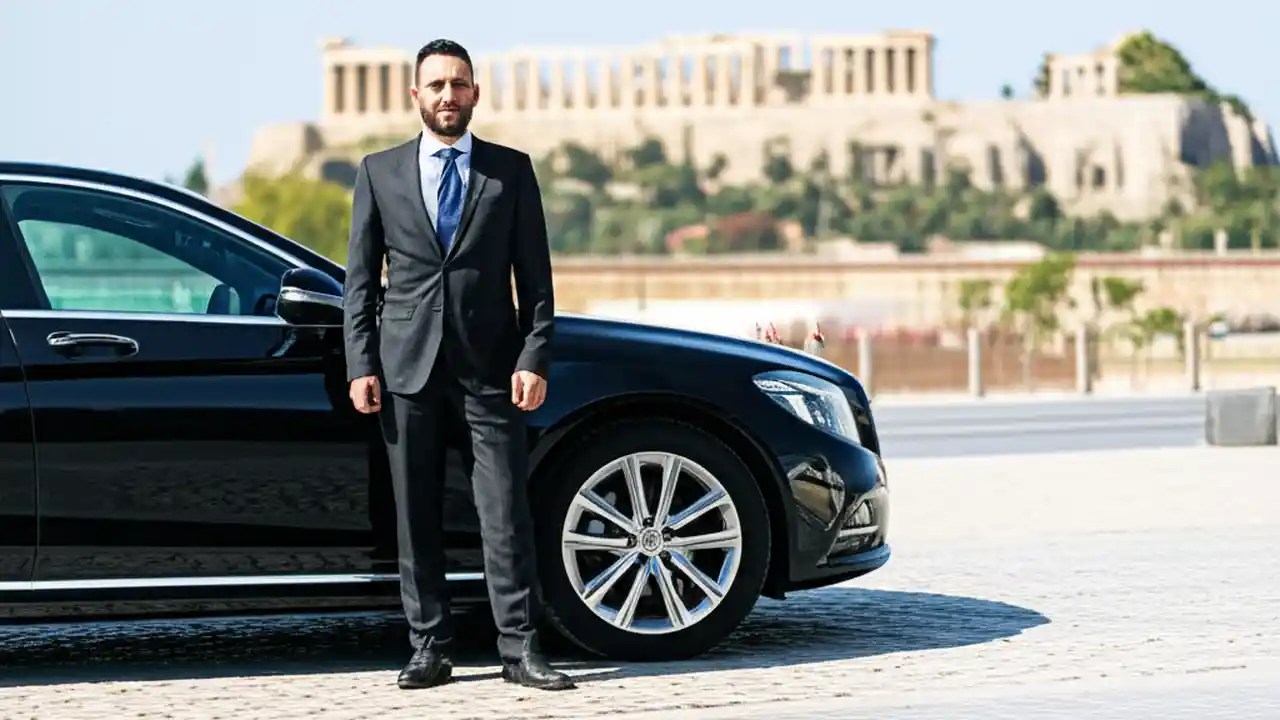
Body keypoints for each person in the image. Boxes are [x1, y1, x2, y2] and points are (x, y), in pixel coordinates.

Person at [342, 38, 573, 692]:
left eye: (459, 84)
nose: (449, 95)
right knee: (415, 516)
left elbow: (536, 279)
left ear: (476, 92)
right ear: (416, 95)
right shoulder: (378, 171)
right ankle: (428, 650)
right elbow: (361, 282)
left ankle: (521, 651)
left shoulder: (510, 171)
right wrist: (362, 363)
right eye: (437, 85)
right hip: (405, 371)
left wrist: (535, 354)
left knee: (505, 514)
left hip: (492, 369)